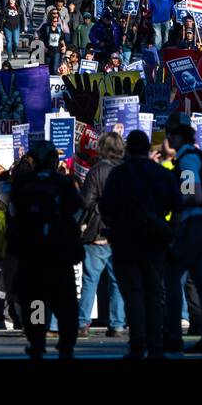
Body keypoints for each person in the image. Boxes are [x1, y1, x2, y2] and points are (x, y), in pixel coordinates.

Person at [100, 130, 181, 359]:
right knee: (155, 295)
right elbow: (178, 203)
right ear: (147, 149)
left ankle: (137, 345)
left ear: (128, 149)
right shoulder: (160, 173)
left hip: (126, 241)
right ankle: (155, 346)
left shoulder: (119, 175)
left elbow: (105, 207)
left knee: (133, 295)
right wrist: (169, 230)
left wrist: (118, 223)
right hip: (154, 240)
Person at [8, 141, 84, 359]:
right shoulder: (64, 183)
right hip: (59, 253)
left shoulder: (22, 183)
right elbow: (77, 213)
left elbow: (13, 214)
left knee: (35, 300)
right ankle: (66, 344)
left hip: (31, 254)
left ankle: (37, 341)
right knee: (65, 301)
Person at [163, 115, 202, 354]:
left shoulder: (186, 161)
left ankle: (174, 335)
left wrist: (171, 200)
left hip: (191, 224)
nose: (167, 138)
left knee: (173, 278)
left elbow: (191, 194)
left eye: (170, 133)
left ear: (179, 135)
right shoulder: (194, 157)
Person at [78, 131, 127, 338]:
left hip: (98, 231)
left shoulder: (96, 171)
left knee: (91, 279)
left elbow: (86, 202)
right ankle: (117, 324)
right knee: (118, 280)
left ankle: (82, 322)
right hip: (121, 232)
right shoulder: (125, 170)